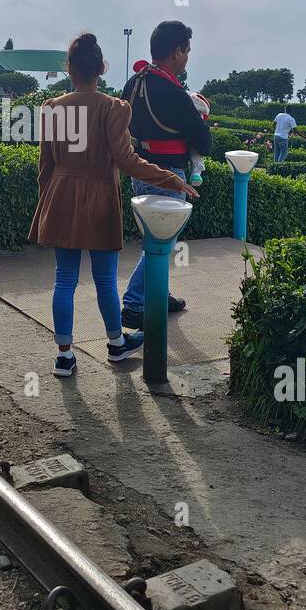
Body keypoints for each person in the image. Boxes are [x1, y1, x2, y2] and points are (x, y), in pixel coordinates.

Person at [29, 34, 199, 378]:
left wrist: (46, 200)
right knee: (105, 279)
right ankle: (116, 344)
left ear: (69, 68)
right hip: (98, 196)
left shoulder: (52, 107)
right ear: (101, 68)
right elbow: (127, 159)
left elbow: (44, 165)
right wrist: (170, 178)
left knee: (64, 279)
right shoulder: (113, 107)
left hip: (61, 195)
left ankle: (64, 356)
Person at [118, 20, 211, 330]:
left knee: (157, 237)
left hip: (139, 168)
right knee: (163, 240)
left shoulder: (134, 82)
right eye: (186, 51)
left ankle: (158, 292)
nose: (187, 57)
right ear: (176, 52)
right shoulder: (172, 89)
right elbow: (204, 141)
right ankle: (134, 302)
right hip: (170, 172)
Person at [188, 91, 211, 185]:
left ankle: (196, 174)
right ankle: (196, 174)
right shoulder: (201, 119)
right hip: (197, 140)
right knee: (197, 155)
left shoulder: (186, 106)